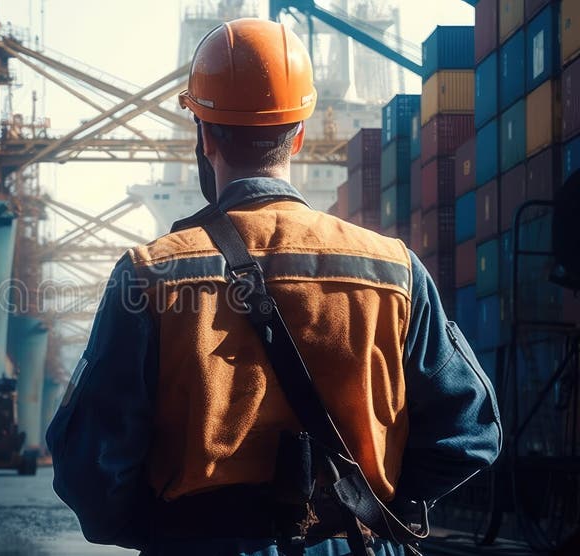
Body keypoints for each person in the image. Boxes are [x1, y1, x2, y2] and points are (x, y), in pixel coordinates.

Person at [46, 17, 502, 556]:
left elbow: (91, 468)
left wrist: (165, 534)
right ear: (301, 132)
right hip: (355, 542)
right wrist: (379, 510)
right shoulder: (395, 271)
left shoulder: (150, 274)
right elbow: (472, 432)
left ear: (204, 133)